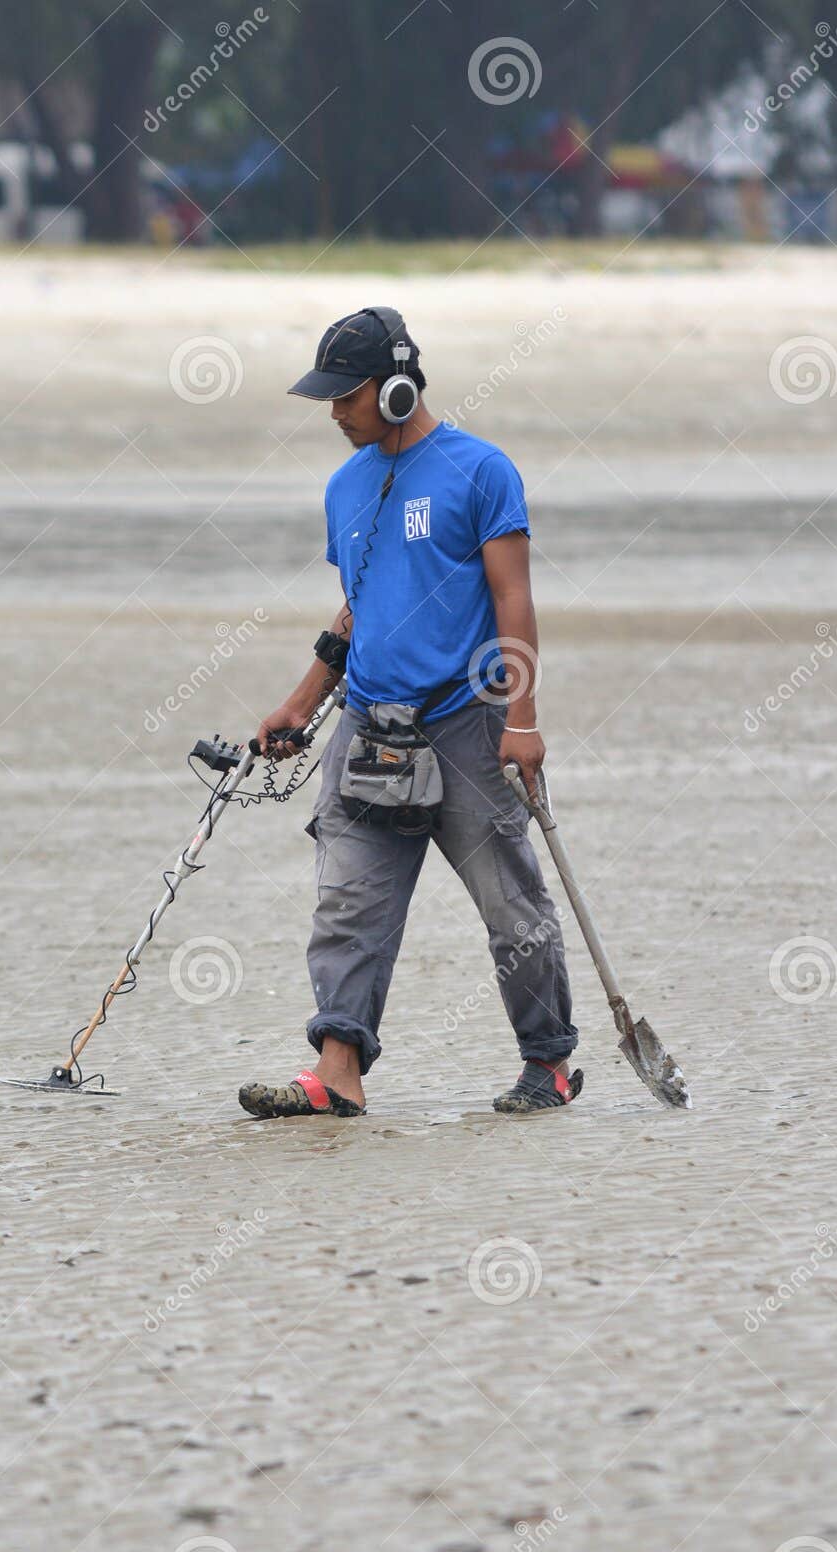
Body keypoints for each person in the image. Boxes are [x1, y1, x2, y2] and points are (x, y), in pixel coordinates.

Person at [239, 307, 580, 1120]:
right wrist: (302, 699)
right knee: (348, 904)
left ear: (394, 389)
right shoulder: (345, 486)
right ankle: (337, 1074)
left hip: (468, 724)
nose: (332, 414)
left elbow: (513, 598)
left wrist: (523, 719)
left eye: (344, 398)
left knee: (513, 910)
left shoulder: (480, 471)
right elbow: (361, 606)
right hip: (368, 729)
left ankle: (548, 1064)